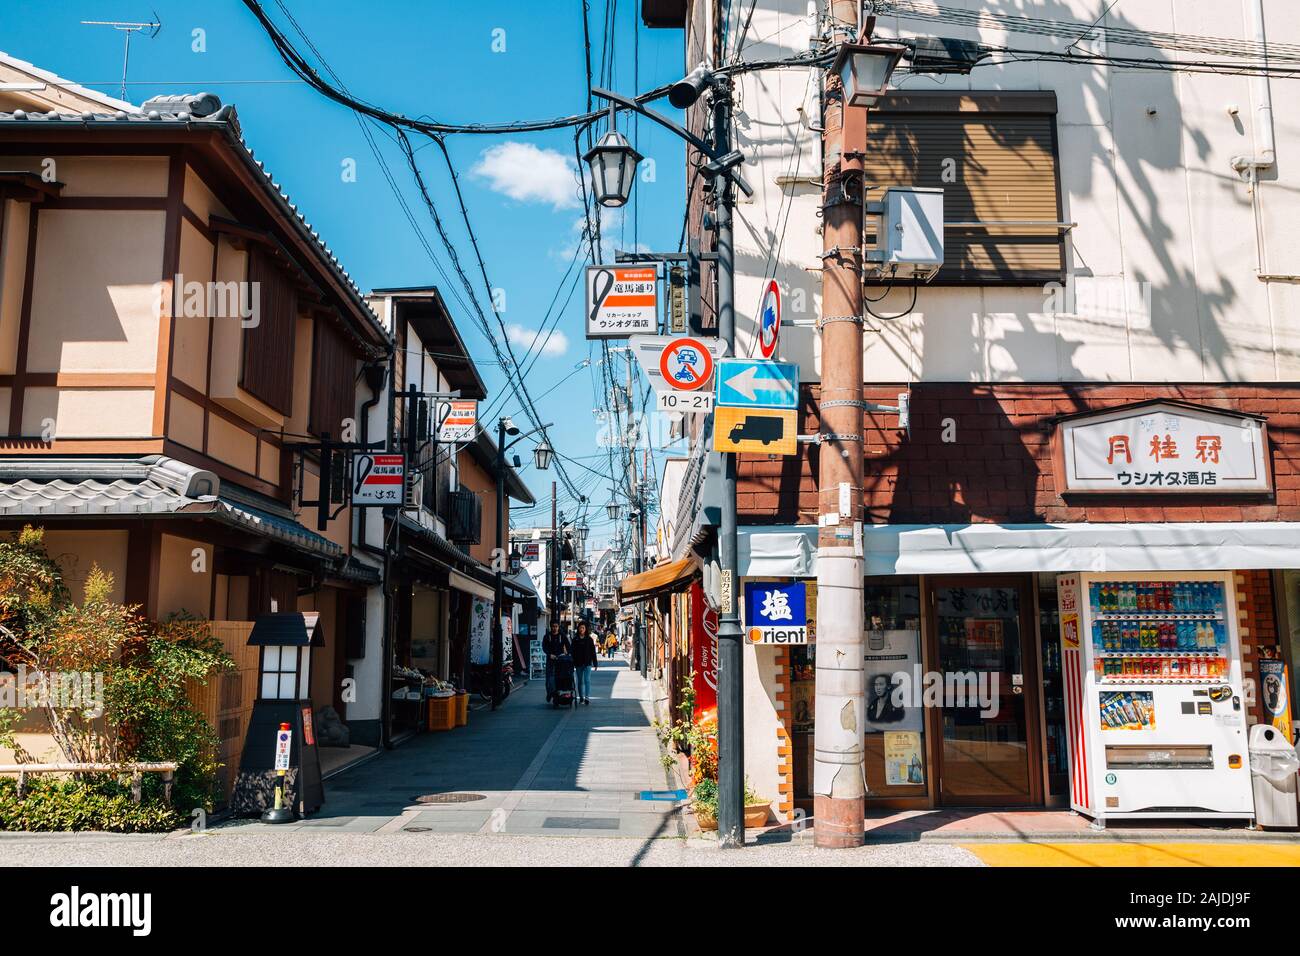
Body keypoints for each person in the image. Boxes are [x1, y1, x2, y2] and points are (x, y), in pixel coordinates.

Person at [542, 620, 570, 704]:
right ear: (551, 627)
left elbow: (568, 646)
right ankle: (550, 693)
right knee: (549, 679)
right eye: (553, 626)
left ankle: (555, 695)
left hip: (561, 661)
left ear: (558, 627)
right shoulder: (547, 636)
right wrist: (549, 654)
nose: (555, 628)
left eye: (556, 626)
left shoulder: (562, 635)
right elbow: (544, 647)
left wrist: (567, 655)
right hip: (550, 660)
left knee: (559, 678)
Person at [571, 620, 598, 705]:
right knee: (579, 681)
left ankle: (587, 697)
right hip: (578, 663)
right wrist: (572, 662)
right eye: (580, 628)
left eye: (583, 628)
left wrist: (595, 663)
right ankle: (581, 697)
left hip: (587, 663)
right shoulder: (575, 639)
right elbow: (572, 652)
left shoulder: (589, 640)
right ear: (578, 629)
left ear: (586, 629)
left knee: (587, 680)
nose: (582, 629)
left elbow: (593, 652)